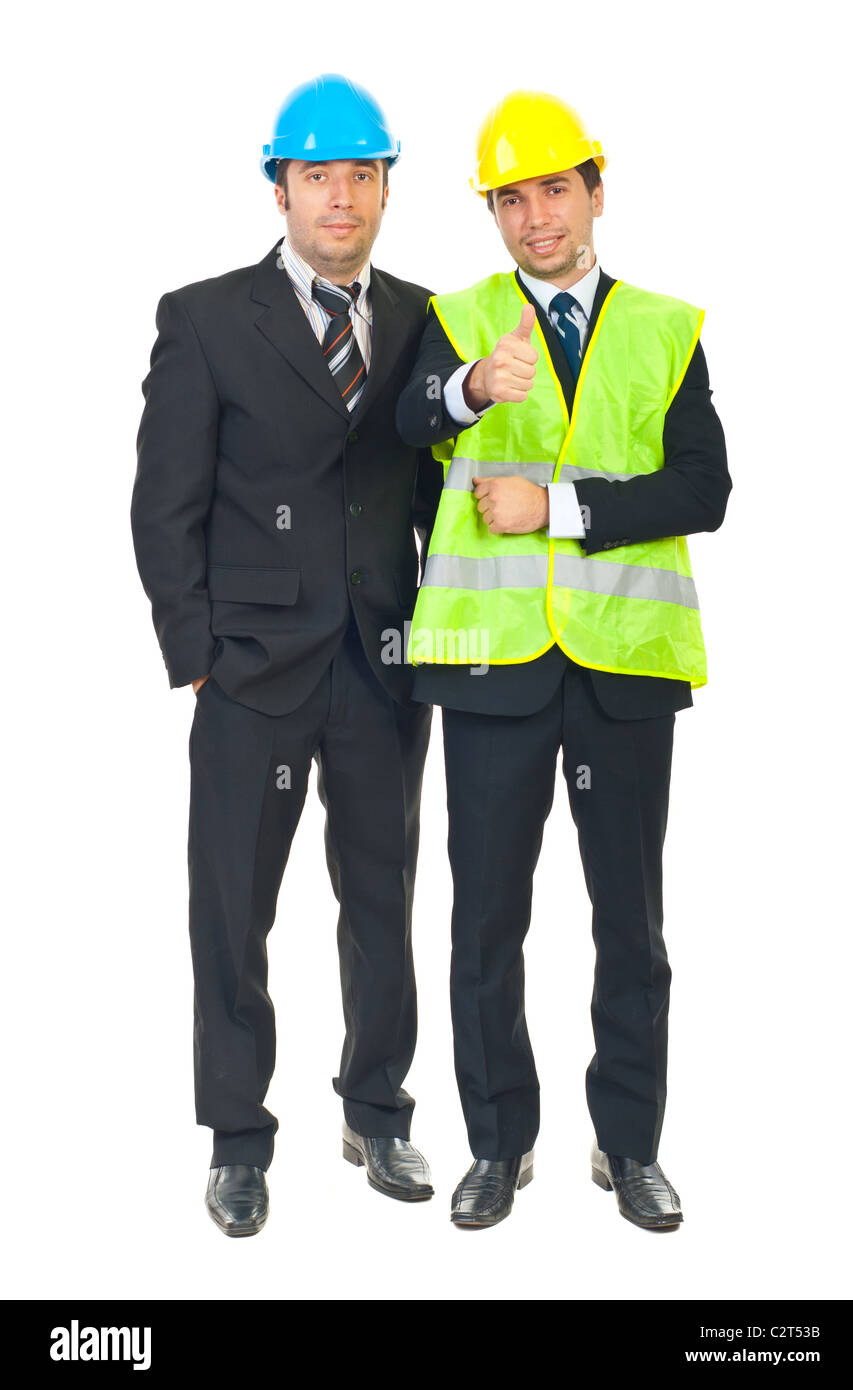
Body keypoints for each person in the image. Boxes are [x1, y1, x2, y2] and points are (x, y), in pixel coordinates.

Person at [396, 89, 731, 1231]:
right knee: (486, 919)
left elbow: (705, 488)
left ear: (596, 186)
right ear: (490, 211)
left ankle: (629, 1147)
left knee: (630, 924)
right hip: (493, 670)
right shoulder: (460, 318)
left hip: (624, 671)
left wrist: (557, 506)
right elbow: (404, 422)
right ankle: (498, 1143)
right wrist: (465, 388)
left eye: (553, 190)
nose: (535, 219)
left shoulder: (665, 328)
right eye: (511, 199)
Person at [132, 74, 439, 1237]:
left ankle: (378, 1108)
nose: (343, 195)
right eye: (320, 175)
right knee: (233, 907)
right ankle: (239, 1139)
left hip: (382, 662)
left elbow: (427, 484)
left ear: (385, 187)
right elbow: (164, 502)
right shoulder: (207, 316)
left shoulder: (418, 318)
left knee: (381, 898)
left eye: (362, 174)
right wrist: (196, 652)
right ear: (281, 187)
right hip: (252, 668)